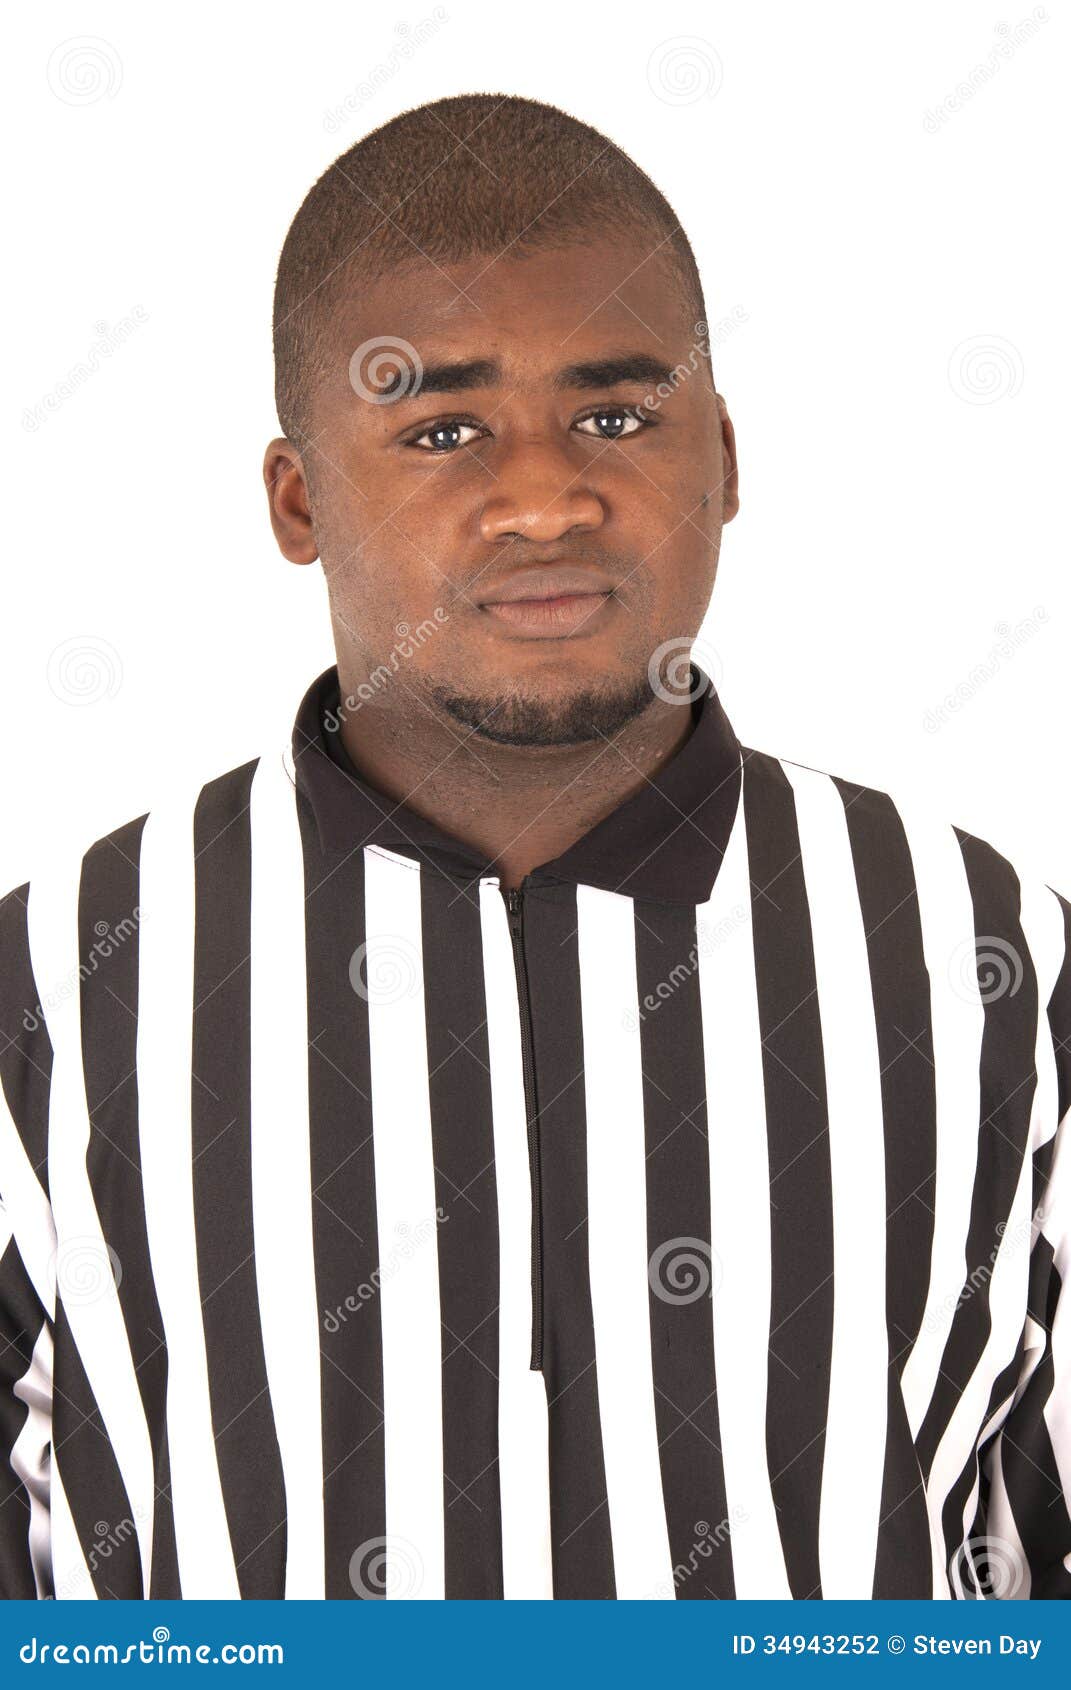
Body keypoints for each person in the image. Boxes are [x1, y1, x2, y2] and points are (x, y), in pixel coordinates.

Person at [1, 92, 1068, 1602]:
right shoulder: (58, 981)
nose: (546, 498)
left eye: (618, 416)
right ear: (297, 500)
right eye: (441, 428)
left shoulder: (992, 955)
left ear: (728, 458)